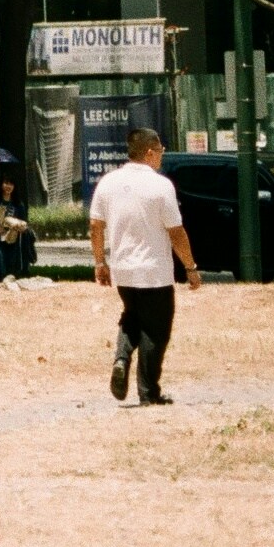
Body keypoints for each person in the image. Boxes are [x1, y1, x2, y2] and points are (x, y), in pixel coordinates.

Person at [89, 129, 200, 404]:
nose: (162, 154)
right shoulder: (161, 185)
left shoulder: (108, 182)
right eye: (160, 149)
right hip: (155, 271)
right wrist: (190, 266)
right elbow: (176, 233)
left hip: (123, 269)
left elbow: (95, 226)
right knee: (156, 330)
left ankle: (121, 358)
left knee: (132, 317)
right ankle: (148, 392)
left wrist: (100, 262)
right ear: (149, 152)